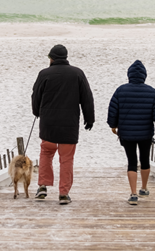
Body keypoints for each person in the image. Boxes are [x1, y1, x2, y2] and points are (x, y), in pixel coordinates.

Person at [31, 44, 95, 205]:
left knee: (46, 153)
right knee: (66, 159)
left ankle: (43, 186)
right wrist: (90, 118)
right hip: (69, 124)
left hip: (48, 124)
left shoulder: (44, 74)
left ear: (51, 58)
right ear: (66, 58)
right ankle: (64, 194)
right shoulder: (77, 73)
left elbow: (35, 95)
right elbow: (87, 98)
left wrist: (37, 112)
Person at [107, 59, 155, 205]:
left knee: (132, 162)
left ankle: (133, 194)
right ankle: (144, 188)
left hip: (126, 134)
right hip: (145, 134)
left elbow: (113, 110)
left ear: (129, 75)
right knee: (145, 160)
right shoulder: (152, 92)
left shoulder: (120, 90)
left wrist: (113, 125)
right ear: (144, 76)